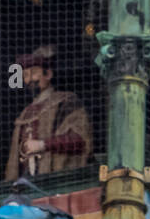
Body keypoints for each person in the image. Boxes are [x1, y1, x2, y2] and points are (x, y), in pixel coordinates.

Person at [5, 46, 92, 181]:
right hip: (26, 186)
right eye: (25, 76)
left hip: (59, 181)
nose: (29, 80)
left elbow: (81, 139)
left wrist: (42, 144)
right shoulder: (24, 114)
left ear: (48, 74)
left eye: (33, 73)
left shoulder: (66, 101)